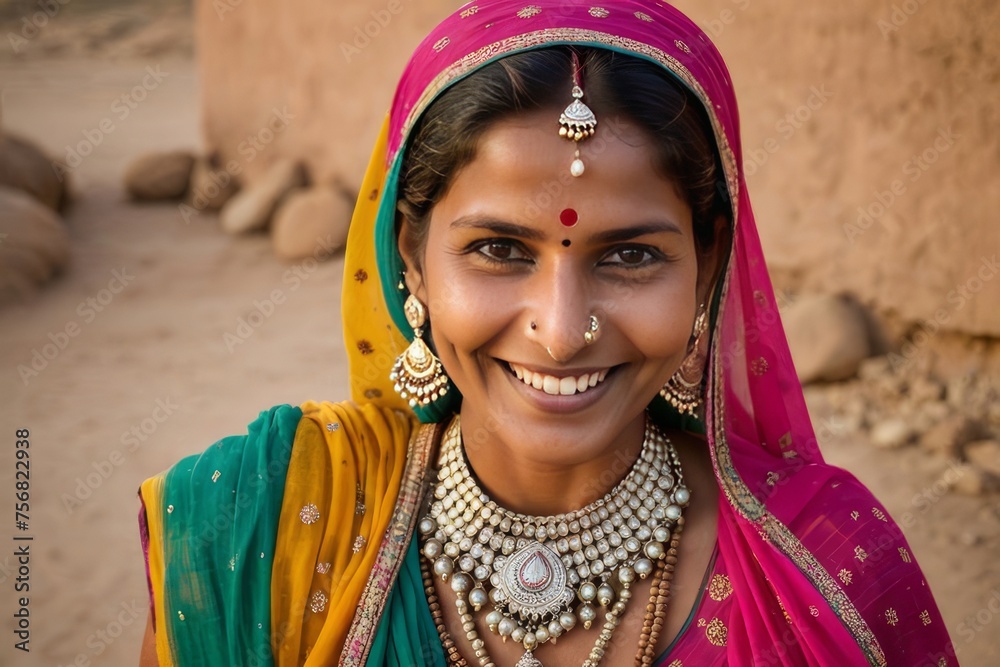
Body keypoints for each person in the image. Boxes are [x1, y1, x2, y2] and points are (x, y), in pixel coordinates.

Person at [138, 1, 956, 665]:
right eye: (498, 250)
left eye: (632, 255)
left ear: (708, 266)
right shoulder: (268, 518)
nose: (562, 332)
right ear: (410, 261)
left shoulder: (829, 564)